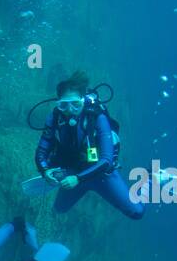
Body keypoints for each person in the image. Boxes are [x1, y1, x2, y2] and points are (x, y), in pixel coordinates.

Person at [35, 71, 142, 220]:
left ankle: (148, 180)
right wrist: (45, 170)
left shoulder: (97, 117)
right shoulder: (54, 118)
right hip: (73, 172)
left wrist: (78, 179)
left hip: (101, 174)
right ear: (58, 103)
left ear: (83, 100)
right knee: (60, 209)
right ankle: (82, 186)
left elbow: (106, 160)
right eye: (64, 105)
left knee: (137, 212)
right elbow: (42, 150)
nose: (70, 110)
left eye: (75, 104)